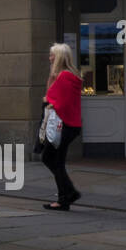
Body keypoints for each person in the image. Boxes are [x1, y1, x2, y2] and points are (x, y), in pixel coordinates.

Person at [41, 42, 82, 211]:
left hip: (64, 124)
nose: (50, 58)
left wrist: (48, 100)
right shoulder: (69, 74)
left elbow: (52, 98)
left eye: (52, 55)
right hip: (70, 124)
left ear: (58, 57)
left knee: (54, 160)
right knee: (53, 159)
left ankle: (66, 197)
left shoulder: (64, 76)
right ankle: (68, 194)